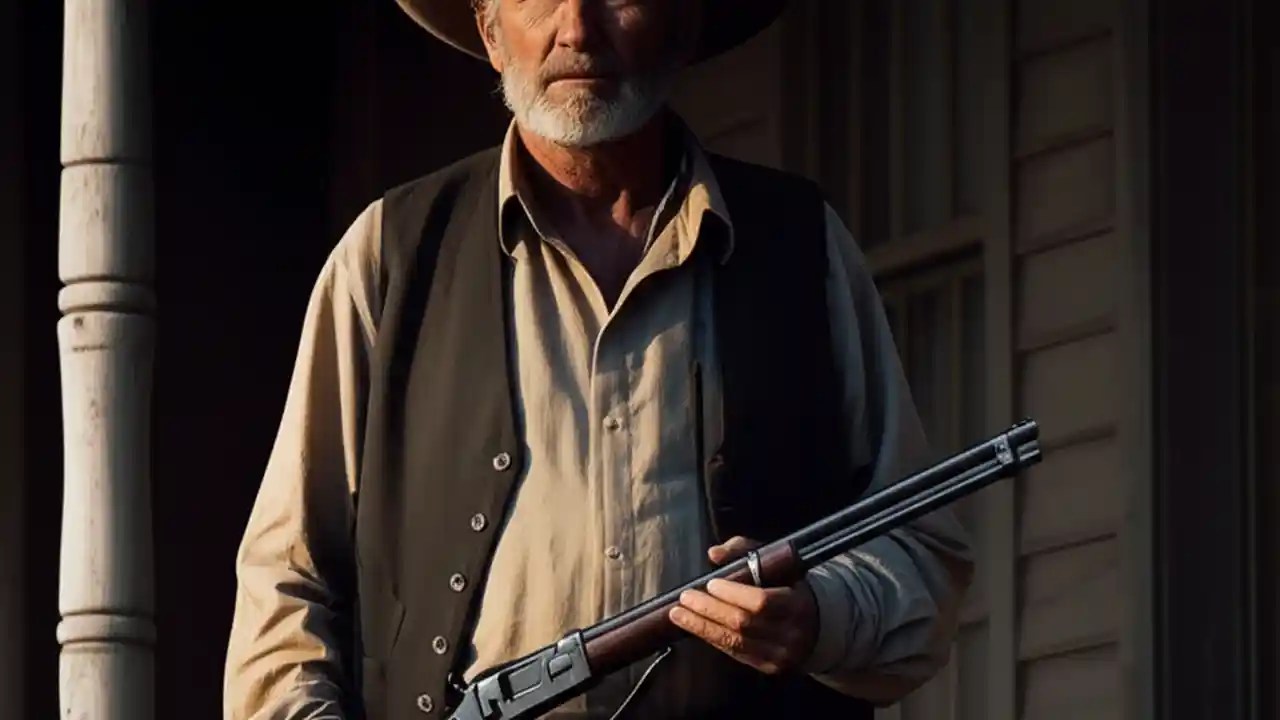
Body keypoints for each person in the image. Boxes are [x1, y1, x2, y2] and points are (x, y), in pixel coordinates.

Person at [223, 0, 973, 718]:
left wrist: (820, 616)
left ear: (680, 24)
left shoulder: (802, 245)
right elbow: (287, 587)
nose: (577, 29)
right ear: (490, 31)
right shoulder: (387, 258)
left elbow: (922, 552)